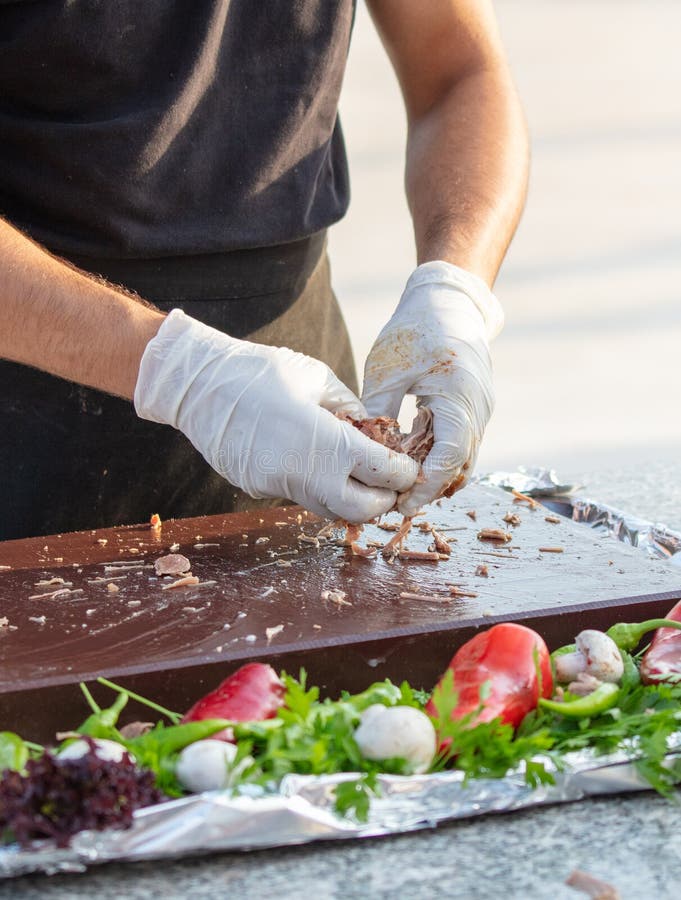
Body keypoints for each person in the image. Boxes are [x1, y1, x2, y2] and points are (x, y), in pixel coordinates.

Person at [0, 1, 528, 542]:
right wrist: (181, 374)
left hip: (302, 412)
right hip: (33, 397)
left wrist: (455, 288)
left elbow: (459, 71)